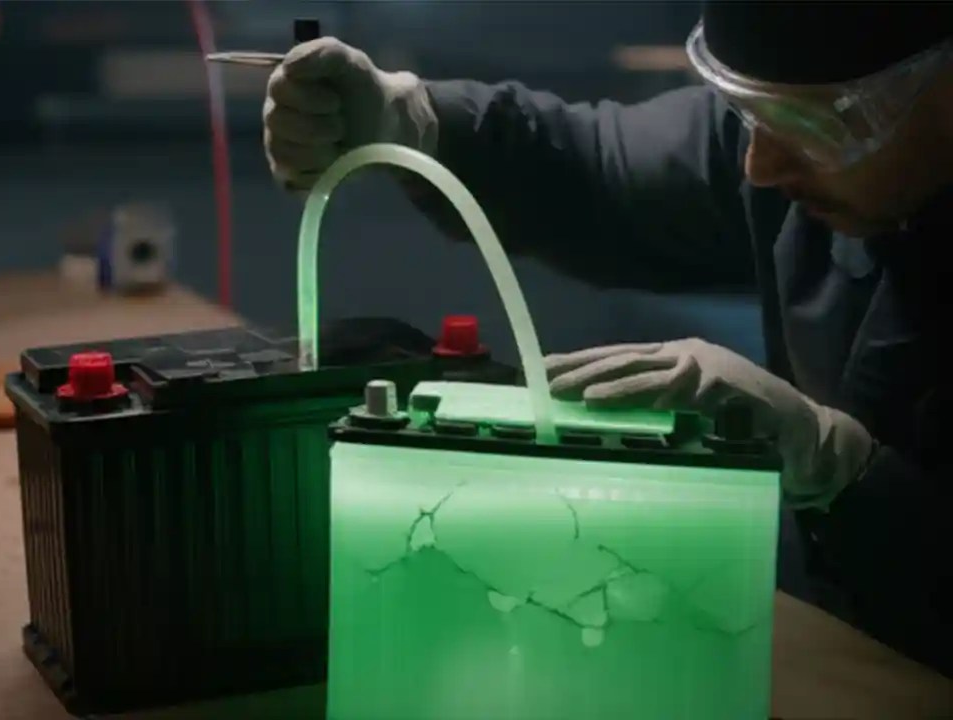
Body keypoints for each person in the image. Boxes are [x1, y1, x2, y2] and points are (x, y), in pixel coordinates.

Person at [262, 1, 951, 676]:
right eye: (749, 114)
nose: (760, 167)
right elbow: (598, 166)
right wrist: (418, 123)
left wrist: (844, 469)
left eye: (805, 122)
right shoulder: (802, 152)